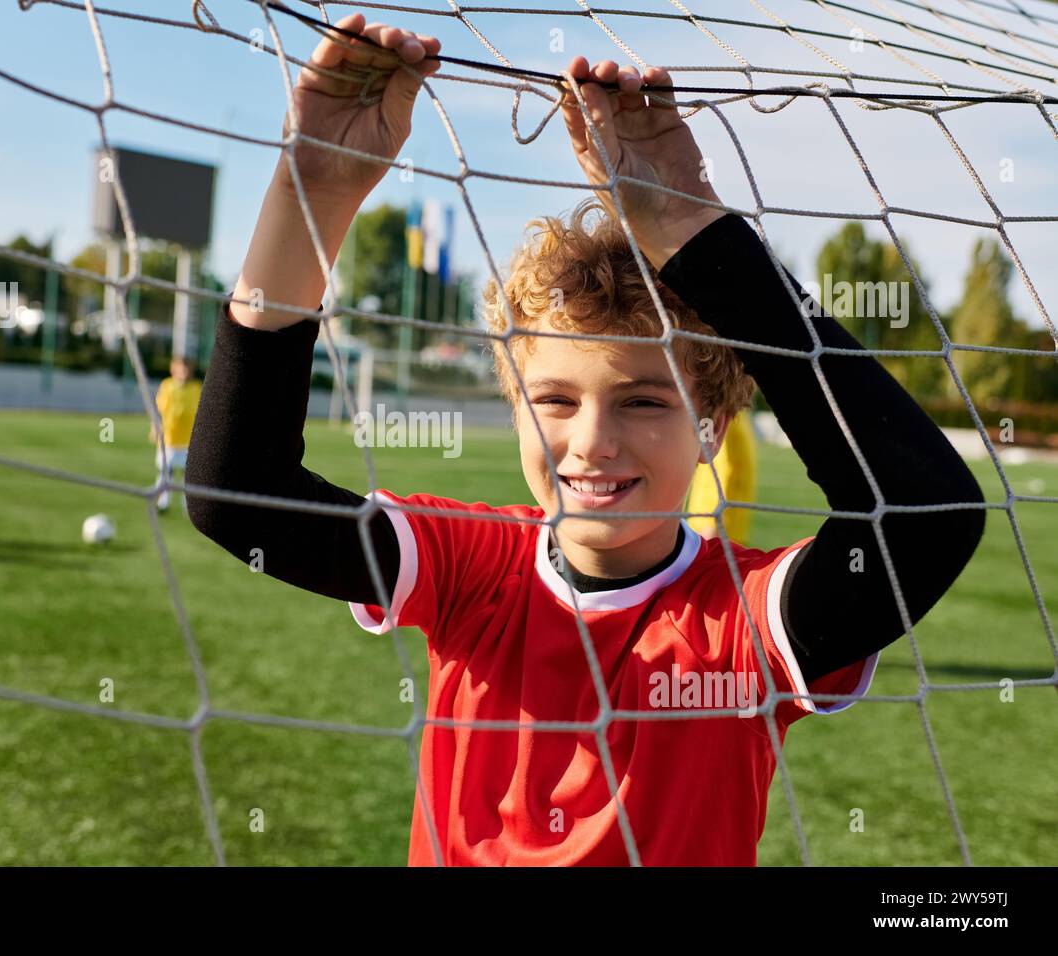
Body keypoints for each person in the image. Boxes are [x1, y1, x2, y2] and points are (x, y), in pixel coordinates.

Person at [185, 14, 985, 865]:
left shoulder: (739, 622)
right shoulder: (469, 570)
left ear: (711, 428)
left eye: (643, 402)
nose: (592, 443)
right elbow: (239, 491)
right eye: (555, 400)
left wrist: (689, 225)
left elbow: (925, 516)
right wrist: (313, 192)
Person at [686, 407, 757, 544]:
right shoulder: (730, 415)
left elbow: (724, 468)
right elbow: (723, 468)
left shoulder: (731, 414)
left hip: (722, 521)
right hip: (721, 521)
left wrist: (713, 521)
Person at [151, 355, 201, 514]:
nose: (183, 372)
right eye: (180, 369)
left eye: (186, 369)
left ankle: (189, 507)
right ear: (173, 370)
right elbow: (159, 410)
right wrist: (155, 427)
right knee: (166, 472)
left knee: (189, 475)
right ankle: (162, 502)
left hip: (189, 440)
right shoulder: (167, 386)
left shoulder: (196, 388)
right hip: (169, 438)